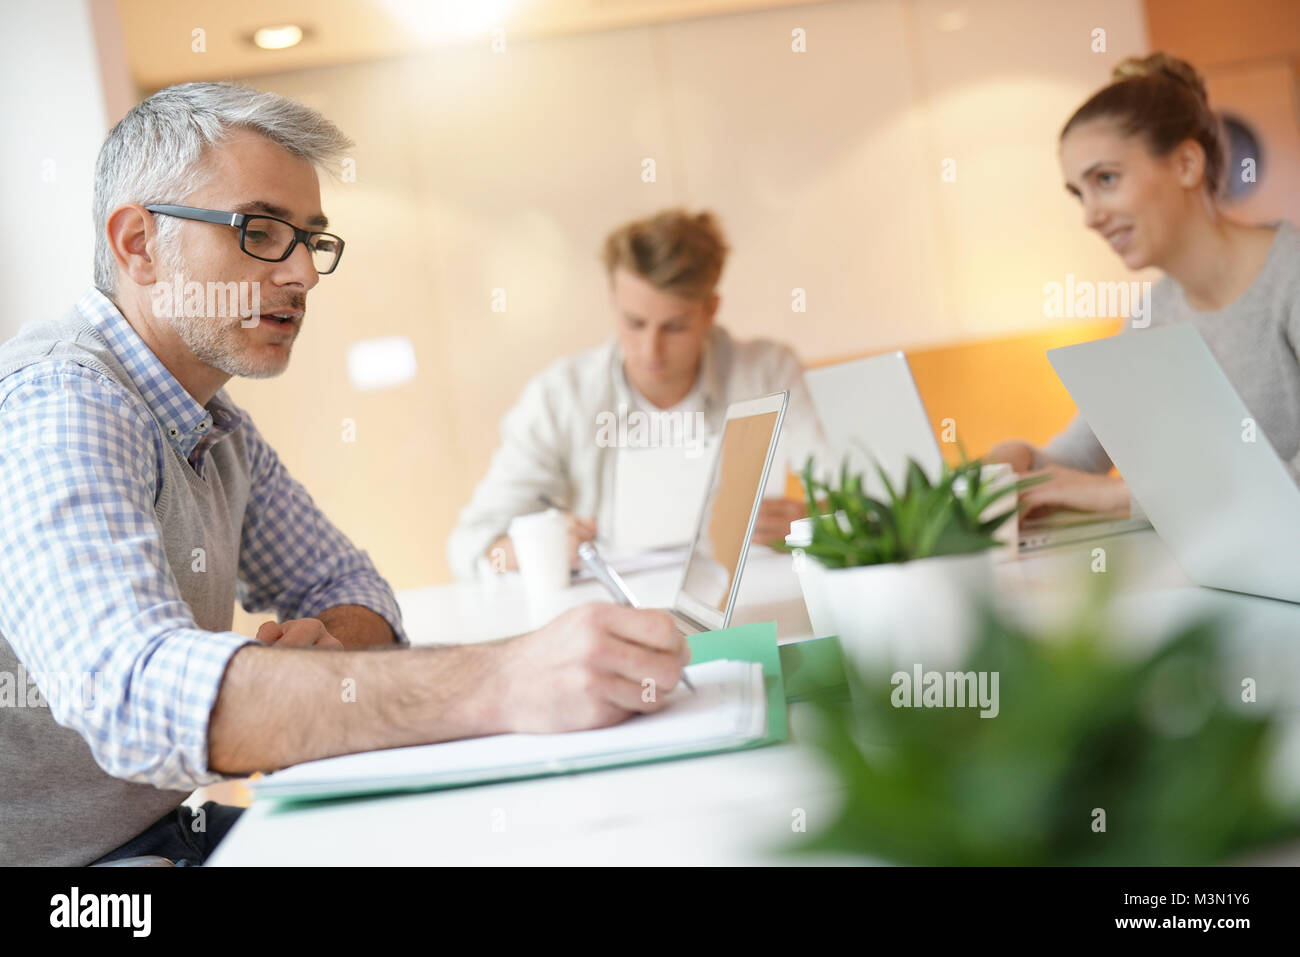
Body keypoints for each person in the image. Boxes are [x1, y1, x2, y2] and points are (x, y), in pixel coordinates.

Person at [0, 82, 688, 866]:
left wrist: (329, 659)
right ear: (137, 245)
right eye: (260, 231)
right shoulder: (57, 403)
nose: (303, 275)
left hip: (170, 835)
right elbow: (129, 693)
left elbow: (353, 589)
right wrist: (503, 677)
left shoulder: (215, 424)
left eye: (311, 239)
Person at [987, 53, 1300, 517]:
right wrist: (1019, 465)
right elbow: (1079, 459)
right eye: (1080, 193)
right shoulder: (1154, 316)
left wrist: (1125, 497)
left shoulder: (1289, 277)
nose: (1091, 217)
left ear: (1187, 164)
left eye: (1106, 179)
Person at [448, 208, 824, 580]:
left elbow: (856, 501)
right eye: (634, 323)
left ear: (710, 311)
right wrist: (534, 550)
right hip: (616, 617)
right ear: (613, 300)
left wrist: (810, 521)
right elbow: (469, 546)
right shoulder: (560, 398)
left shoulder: (768, 372)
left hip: (754, 596)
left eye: (674, 327)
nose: (650, 350)